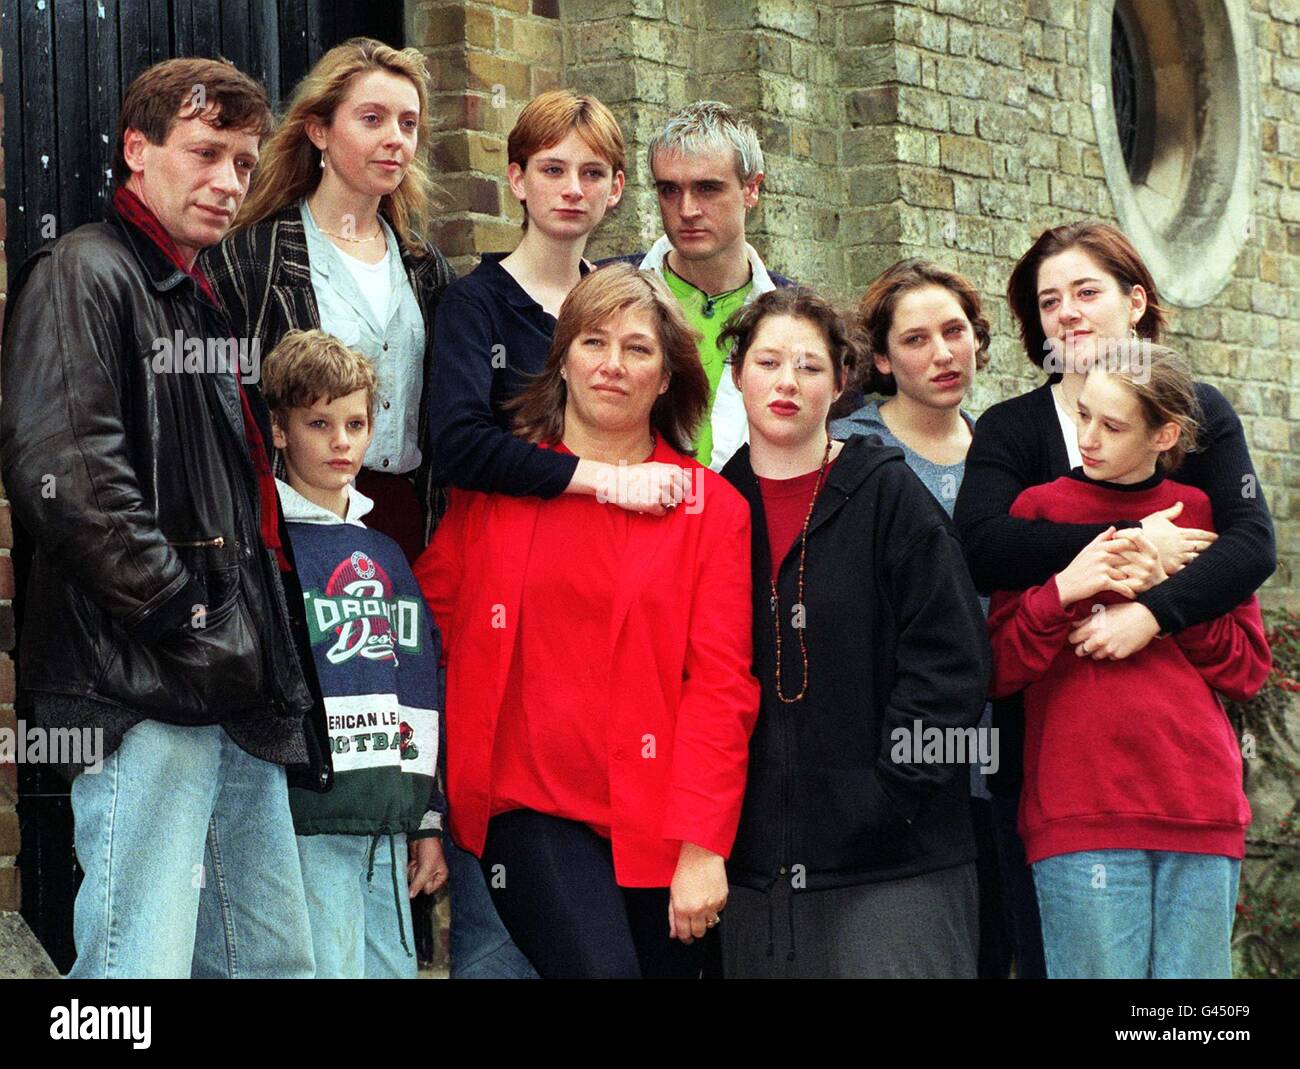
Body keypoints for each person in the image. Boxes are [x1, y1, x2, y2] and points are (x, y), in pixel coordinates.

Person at [0, 59, 326, 978]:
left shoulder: (194, 289)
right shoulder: (83, 269)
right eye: (206, 153)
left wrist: (234, 641)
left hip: (224, 689)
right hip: (142, 686)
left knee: (270, 962)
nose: (229, 180)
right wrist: (194, 618)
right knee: (134, 966)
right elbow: (67, 475)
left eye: (243, 159)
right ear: (137, 151)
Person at [415, 264, 760, 979]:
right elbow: (425, 635)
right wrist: (427, 802)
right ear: (562, 360)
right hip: (526, 803)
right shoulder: (502, 490)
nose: (613, 365)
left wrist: (703, 844)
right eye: (593, 342)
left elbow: (721, 685)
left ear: (666, 377)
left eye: (638, 349)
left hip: (658, 818)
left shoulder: (710, 508)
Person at [954, 221, 1277, 978]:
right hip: (1063, 780)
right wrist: (1124, 548)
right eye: (1048, 300)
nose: (1066, 311)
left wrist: (1157, 604)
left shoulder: (1199, 421)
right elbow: (981, 548)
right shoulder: (1015, 439)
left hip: (1192, 794)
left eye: (1086, 291)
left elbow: (1249, 550)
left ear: (1136, 301)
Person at [426, 88, 687, 978]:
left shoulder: (624, 302)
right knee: (507, 944)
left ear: (617, 189)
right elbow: (457, 445)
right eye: (551, 170)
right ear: (516, 181)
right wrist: (597, 482)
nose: (571, 189)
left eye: (592, 173)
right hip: (504, 597)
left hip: (611, 653)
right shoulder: (476, 306)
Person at [718, 287, 990, 978]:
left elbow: (952, 664)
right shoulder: (713, 509)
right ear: (736, 373)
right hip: (754, 874)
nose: (787, 382)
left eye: (811, 366)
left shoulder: (891, 498)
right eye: (769, 361)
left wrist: (887, 796)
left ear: (842, 381)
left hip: (896, 869)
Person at [204, 37, 455, 561]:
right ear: (319, 130)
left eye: (408, 124)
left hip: (407, 518)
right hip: (293, 520)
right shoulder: (253, 258)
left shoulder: (425, 266)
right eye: (372, 119)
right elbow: (221, 410)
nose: (395, 140)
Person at [830, 259, 1011, 978]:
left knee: (998, 947)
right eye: (915, 339)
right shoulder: (850, 449)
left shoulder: (1006, 451)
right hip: (895, 755)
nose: (941, 353)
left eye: (954, 331)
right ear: (880, 357)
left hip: (999, 753)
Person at [262, 329, 448, 978]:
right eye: (319, 423)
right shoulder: (269, 552)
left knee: (393, 969)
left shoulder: (388, 554)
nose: (342, 442)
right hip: (306, 817)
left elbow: (421, 689)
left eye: (356, 422)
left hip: (385, 819)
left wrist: (425, 816)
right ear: (280, 431)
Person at [607, 100, 793, 471]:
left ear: (751, 189)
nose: (687, 209)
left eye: (707, 188)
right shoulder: (606, 293)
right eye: (669, 190)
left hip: (748, 520)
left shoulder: (794, 313)